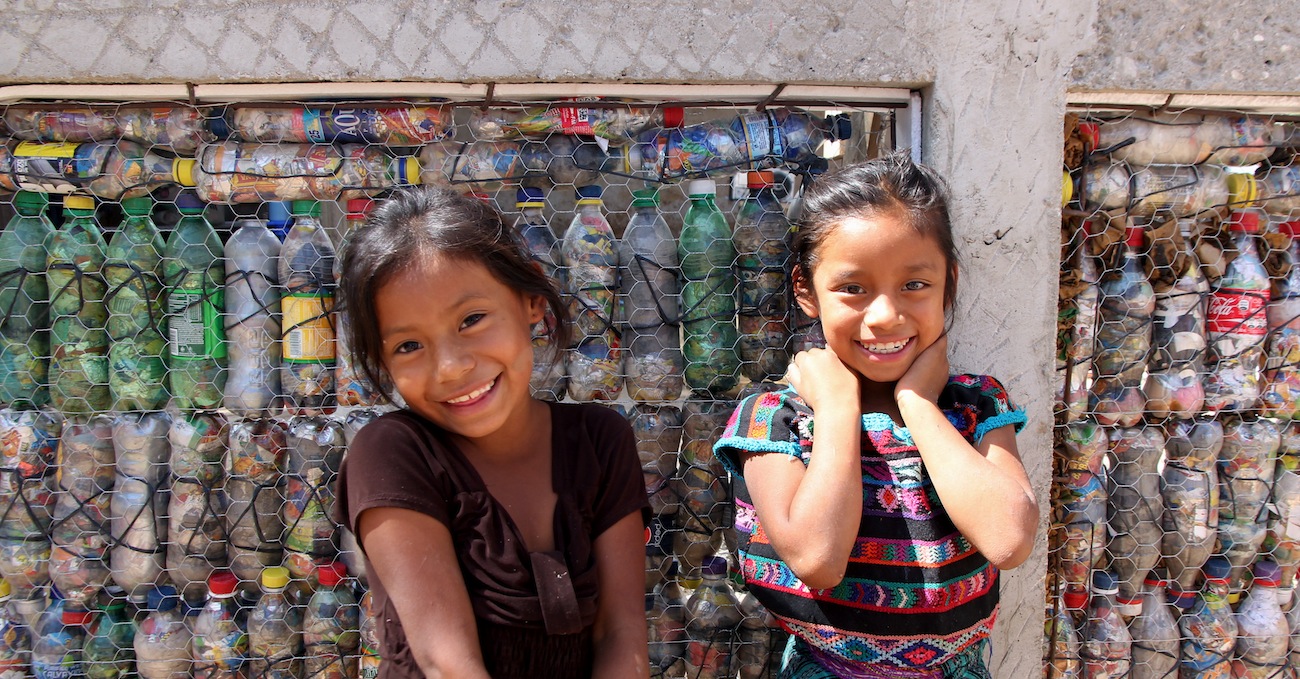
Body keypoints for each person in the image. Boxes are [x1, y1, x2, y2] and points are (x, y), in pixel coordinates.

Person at [713, 152, 1039, 679]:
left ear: (948, 284)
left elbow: (1008, 539)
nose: (885, 316)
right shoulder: (773, 419)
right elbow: (818, 560)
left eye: (914, 285)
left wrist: (919, 404)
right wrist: (839, 405)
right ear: (806, 291)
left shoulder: (974, 406)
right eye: (853, 288)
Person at [335, 187, 650, 679]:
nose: (451, 368)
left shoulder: (601, 440)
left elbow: (621, 636)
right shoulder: (392, 454)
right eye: (409, 345)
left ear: (530, 301)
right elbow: (448, 663)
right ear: (380, 360)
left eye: (472, 320)